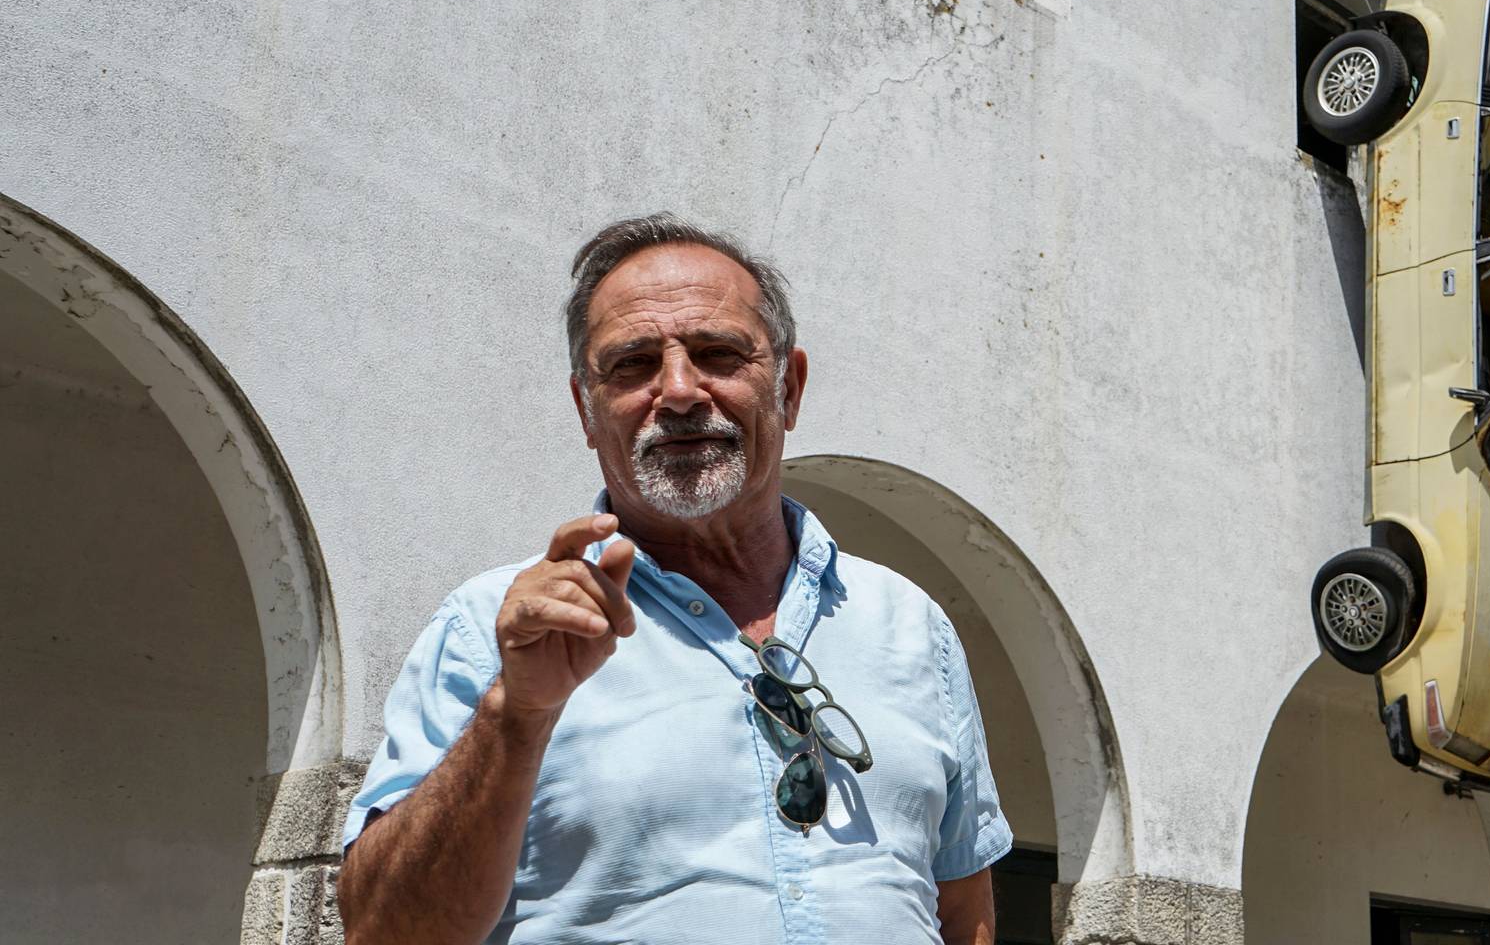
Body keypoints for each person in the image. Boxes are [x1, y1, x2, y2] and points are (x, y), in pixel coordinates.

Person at [335, 214, 1011, 945]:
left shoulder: (910, 623)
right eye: (632, 364)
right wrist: (515, 714)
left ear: (790, 388)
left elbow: (962, 911)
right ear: (586, 410)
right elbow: (382, 932)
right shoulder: (496, 628)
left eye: (719, 354)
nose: (681, 391)